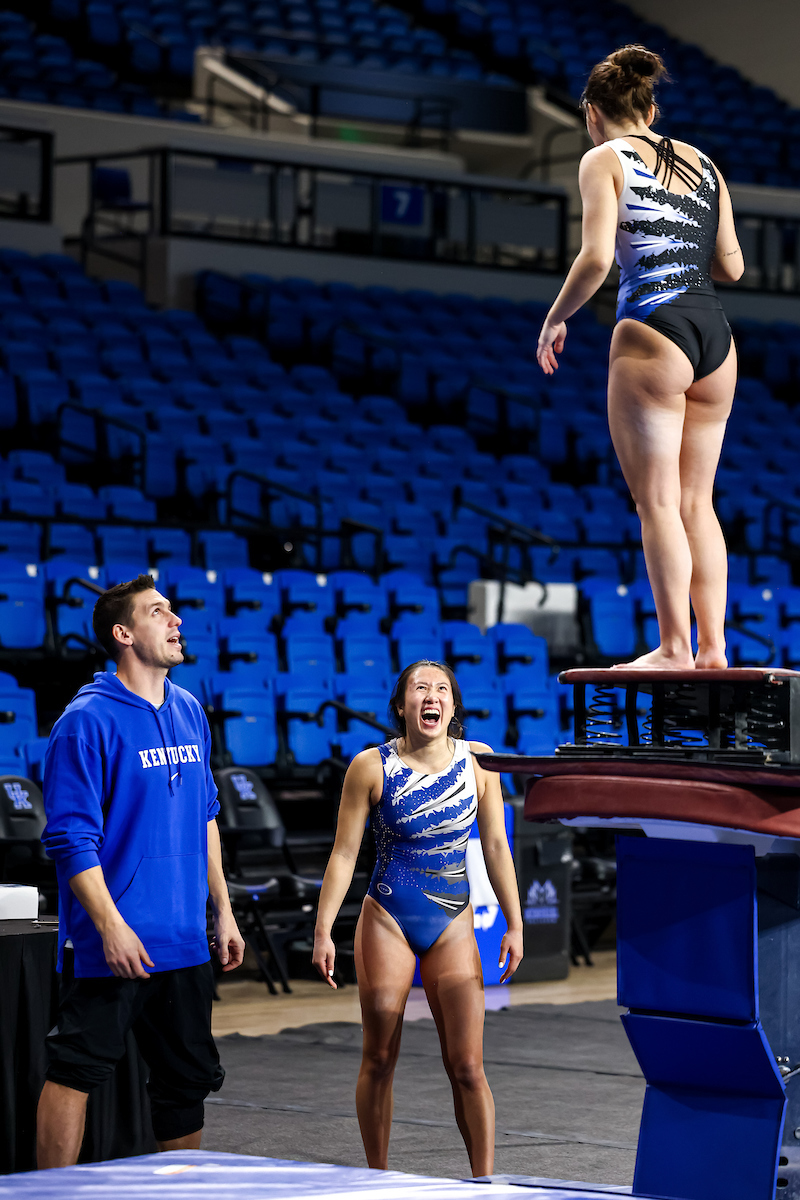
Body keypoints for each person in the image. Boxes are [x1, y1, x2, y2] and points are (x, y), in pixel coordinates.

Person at [536, 45, 744, 669]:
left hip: (654, 329)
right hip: (715, 337)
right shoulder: (705, 163)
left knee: (656, 503)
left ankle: (676, 647)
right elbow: (731, 265)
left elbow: (597, 259)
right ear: (651, 109)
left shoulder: (602, 159)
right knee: (696, 502)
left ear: (592, 114)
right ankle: (713, 650)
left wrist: (555, 318)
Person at [36, 574, 245, 1168]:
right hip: (116, 941)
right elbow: (70, 839)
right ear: (123, 634)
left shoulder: (188, 709)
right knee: (75, 1071)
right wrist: (108, 926)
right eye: (159, 612)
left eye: (173, 610)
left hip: (185, 941)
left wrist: (223, 913)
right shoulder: (86, 721)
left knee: (186, 1083)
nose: (176, 620)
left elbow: (205, 816)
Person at [312, 661, 523, 1176]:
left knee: (468, 1066)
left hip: (452, 921)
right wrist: (323, 930)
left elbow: (495, 844)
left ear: (453, 707)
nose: (432, 697)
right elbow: (343, 855)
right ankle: (376, 1176)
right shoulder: (370, 766)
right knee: (380, 1058)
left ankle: (484, 1182)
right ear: (402, 705)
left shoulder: (480, 763)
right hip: (388, 918)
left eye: (442, 690)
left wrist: (515, 922)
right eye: (420, 689)